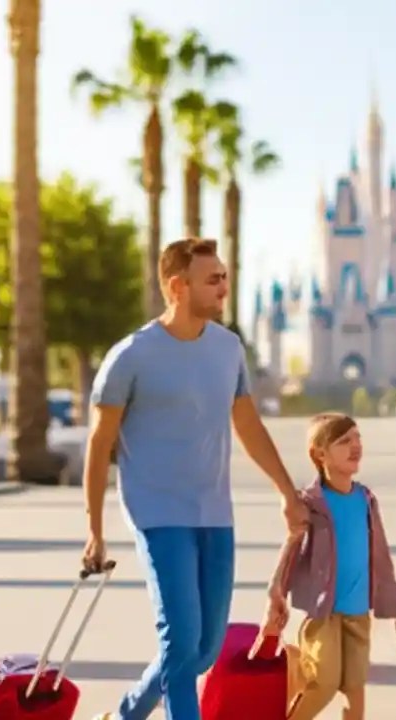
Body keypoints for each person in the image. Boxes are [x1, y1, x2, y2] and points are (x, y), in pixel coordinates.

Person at [84, 238, 309, 720]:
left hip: (214, 514)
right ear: (177, 286)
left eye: (225, 276)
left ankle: (125, 714)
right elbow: (99, 443)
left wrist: (287, 493)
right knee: (181, 642)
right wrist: (95, 531)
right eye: (213, 279)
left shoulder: (228, 349)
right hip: (157, 514)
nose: (224, 287)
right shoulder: (131, 356)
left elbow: (248, 424)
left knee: (203, 650)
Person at [266, 412, 396, 720]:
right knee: (325, 683)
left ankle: (300, 668)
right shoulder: (310, 503)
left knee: (354, 689)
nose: (355, 446)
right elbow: (291, 548)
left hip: (358, 611)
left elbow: (380, 555)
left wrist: (390, 600)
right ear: (319, 454)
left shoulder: (366, 499)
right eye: (344, 441)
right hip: (323, 612)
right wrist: (275, 591)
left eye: (358, 438)